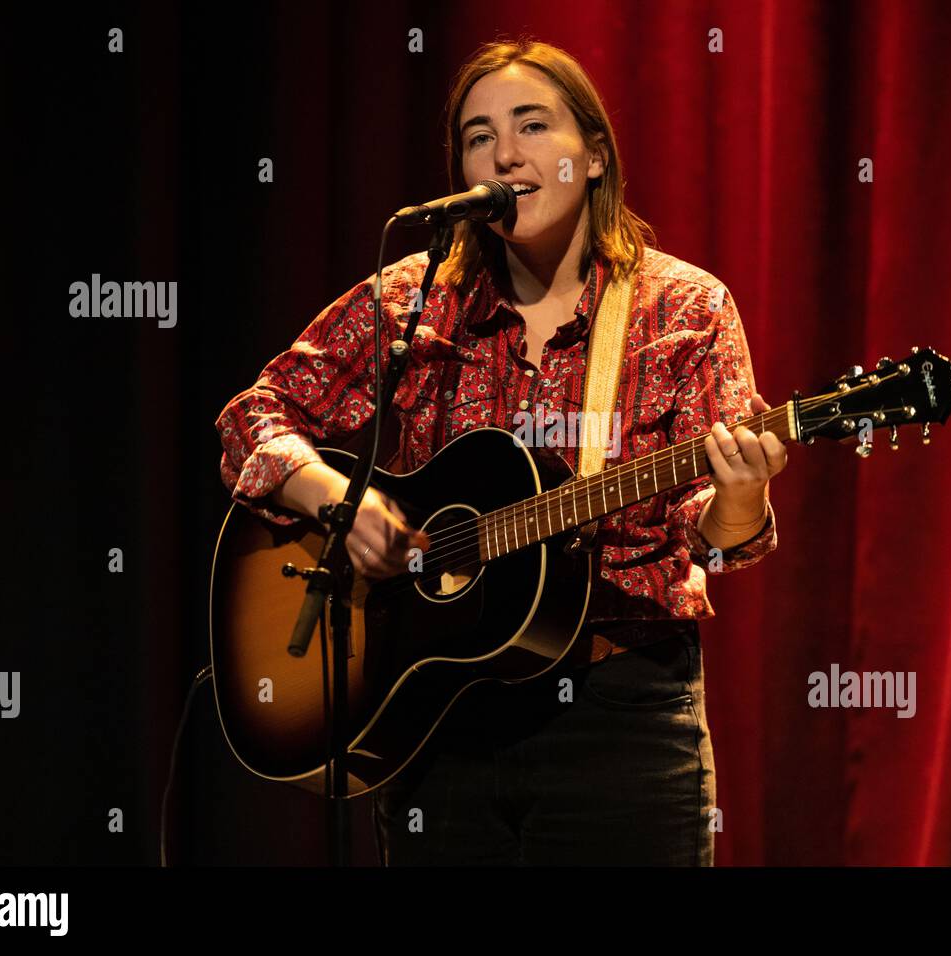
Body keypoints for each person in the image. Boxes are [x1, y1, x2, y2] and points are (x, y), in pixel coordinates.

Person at [215, 38, 787, 866]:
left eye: (531, 125)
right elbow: (250, 418)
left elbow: (721, 538)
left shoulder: (685, 309)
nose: (505, 154)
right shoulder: (413, 301)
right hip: (440, 711)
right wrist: (335, 500)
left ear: (594, 156)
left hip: (619, 715)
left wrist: (741, 498)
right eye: (479, 136)